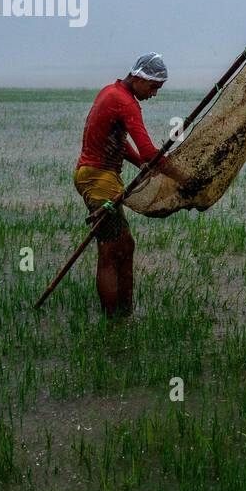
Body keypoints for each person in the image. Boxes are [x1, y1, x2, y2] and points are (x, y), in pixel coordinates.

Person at [73, 52, 186, 315]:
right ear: (138, 77)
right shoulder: (125, 102)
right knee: (111, 250)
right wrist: (181, 177)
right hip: (98, 179)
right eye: (154, 87)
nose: (154, 94)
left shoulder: (111, 93)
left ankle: (123, 311)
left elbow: (118, 141)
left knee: (124, 245)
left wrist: (139, 165)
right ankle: (113, 320)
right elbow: (148, 150)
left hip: (97, 176)